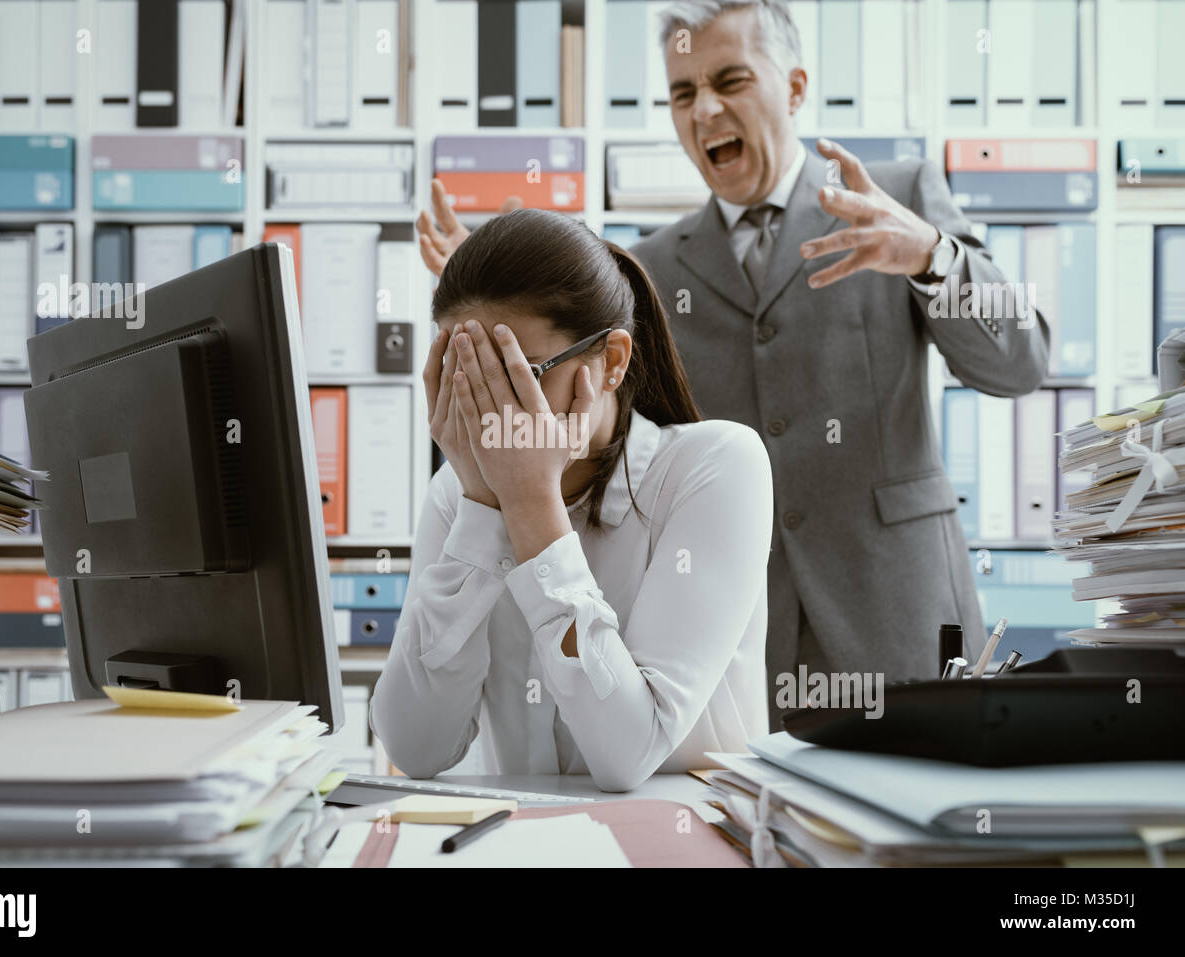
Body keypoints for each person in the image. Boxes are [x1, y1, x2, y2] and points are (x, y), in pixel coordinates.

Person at [415, 0, 1050, 728]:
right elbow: (609, 439)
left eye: (730, 80)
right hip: (736, 634)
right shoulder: (649, 266)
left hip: (895, 608)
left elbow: (1021, 359)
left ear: (796, 87)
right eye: (683, 92)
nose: (705, 108)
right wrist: (501, 301)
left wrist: (931, 256)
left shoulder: (897, 200)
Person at [369, 209, 774, 791]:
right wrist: (482, 510)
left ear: (610, 361)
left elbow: (626, 755)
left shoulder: (715, 466)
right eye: (468, 374)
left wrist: (530, 503)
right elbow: (417, 750)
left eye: (519, 374)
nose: (491, 410)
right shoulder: (456, 493)